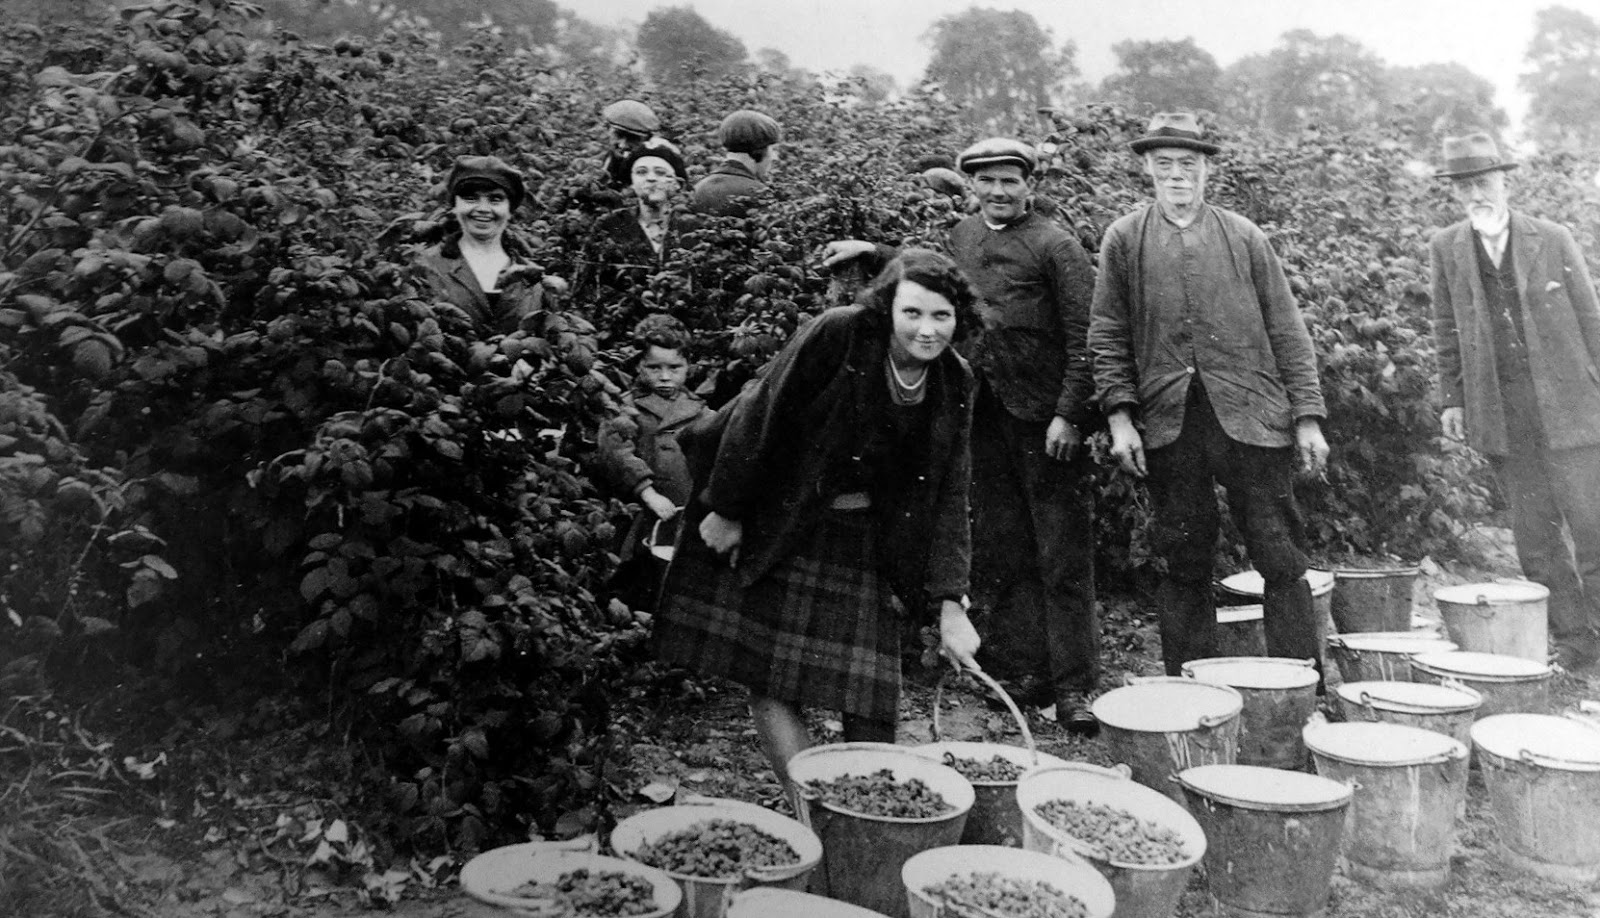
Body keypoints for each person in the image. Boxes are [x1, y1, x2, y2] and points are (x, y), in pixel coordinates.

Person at [656, 249, 982, 800]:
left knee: (872, 698)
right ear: (887, 308)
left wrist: (950, 600)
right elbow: (761, 412)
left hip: (866, 536)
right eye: (913, 313)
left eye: (941, 317)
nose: (926, 331)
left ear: (960, 318)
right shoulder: (840, 334)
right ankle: (811, 807)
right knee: (772, 679)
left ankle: (864, 811)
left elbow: (950, 490)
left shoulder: (955, 381)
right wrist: (727, 508)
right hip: (780, 518)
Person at [821, 138, 1102, 735]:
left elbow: (1089, 338)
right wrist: (874, 251)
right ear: (969, 185)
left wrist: (1070, 415)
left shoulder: (1057, 246)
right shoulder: (965, 236)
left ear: (1030, 183)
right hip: (986, 416)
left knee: (1061, 550)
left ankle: (1075, 684)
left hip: (1045, 420)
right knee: (1004, 542)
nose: (997, 192)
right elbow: (931, 276)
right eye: (985, 182)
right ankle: (1026, 669)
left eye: (1009, 181)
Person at [1088, 112, 1330, 678]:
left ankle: (1300, 687)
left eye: (1189, 165)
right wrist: (1121, 418)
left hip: (1252, 417)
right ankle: (1190, 691)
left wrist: (1307, 418)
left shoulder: (1244, 236)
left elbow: (1287, 329)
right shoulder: (1124, 238)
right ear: (1147, 167)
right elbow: (1107, 334)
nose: (1177, 177)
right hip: (1171, 423)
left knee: (1280, 554)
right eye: (1165, 165)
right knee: (1184, 559)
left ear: (1206, 171)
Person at [1429, 131, 1600, 671]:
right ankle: (1576, 643)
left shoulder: (1551, 237)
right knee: (1535, 538)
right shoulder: (1447, 247)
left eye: (1483, 180)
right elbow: (1445, 328)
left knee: (1593, 526)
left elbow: (1592, 319)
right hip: (1504, 414)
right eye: (1464, 185)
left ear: (1504, 180)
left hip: (1572, 409)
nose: (1476, 193)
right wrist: (1453, 398)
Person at [597, 315, 709, 613]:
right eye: (653, 367)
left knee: (678, 571)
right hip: (642, 510)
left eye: (675, 368)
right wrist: (647, 492)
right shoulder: (625, 408)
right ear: (638, 366)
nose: (664, 377)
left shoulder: (701, 411)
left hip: (685, 508)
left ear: (689, 367)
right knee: (632, 569)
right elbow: (617, 452)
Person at [414, 155, 546, 336]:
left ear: (510, 209)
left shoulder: (532, 279)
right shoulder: (425, 265)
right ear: (455, 205)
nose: (483, 208)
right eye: (471, 198)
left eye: (495, 199)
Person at [578, 145, 692, 299]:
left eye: (660, 173)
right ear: (632, 183)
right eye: (641, 172)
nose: (651, 178)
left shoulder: (692, 227)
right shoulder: (610, 224)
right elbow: (587, 286)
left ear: (678, 184)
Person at [691, 110, 782, 218]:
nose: (774, 157)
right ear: (759, 152)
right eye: (772, 150)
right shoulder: (759, 193)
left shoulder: (698, 188)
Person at [598, 99, 678, 191]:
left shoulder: (659, 159)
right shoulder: (609, 157)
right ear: (607, 130)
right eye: (618, 135)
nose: (623, 145)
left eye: (633, 139)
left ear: (648, 139)